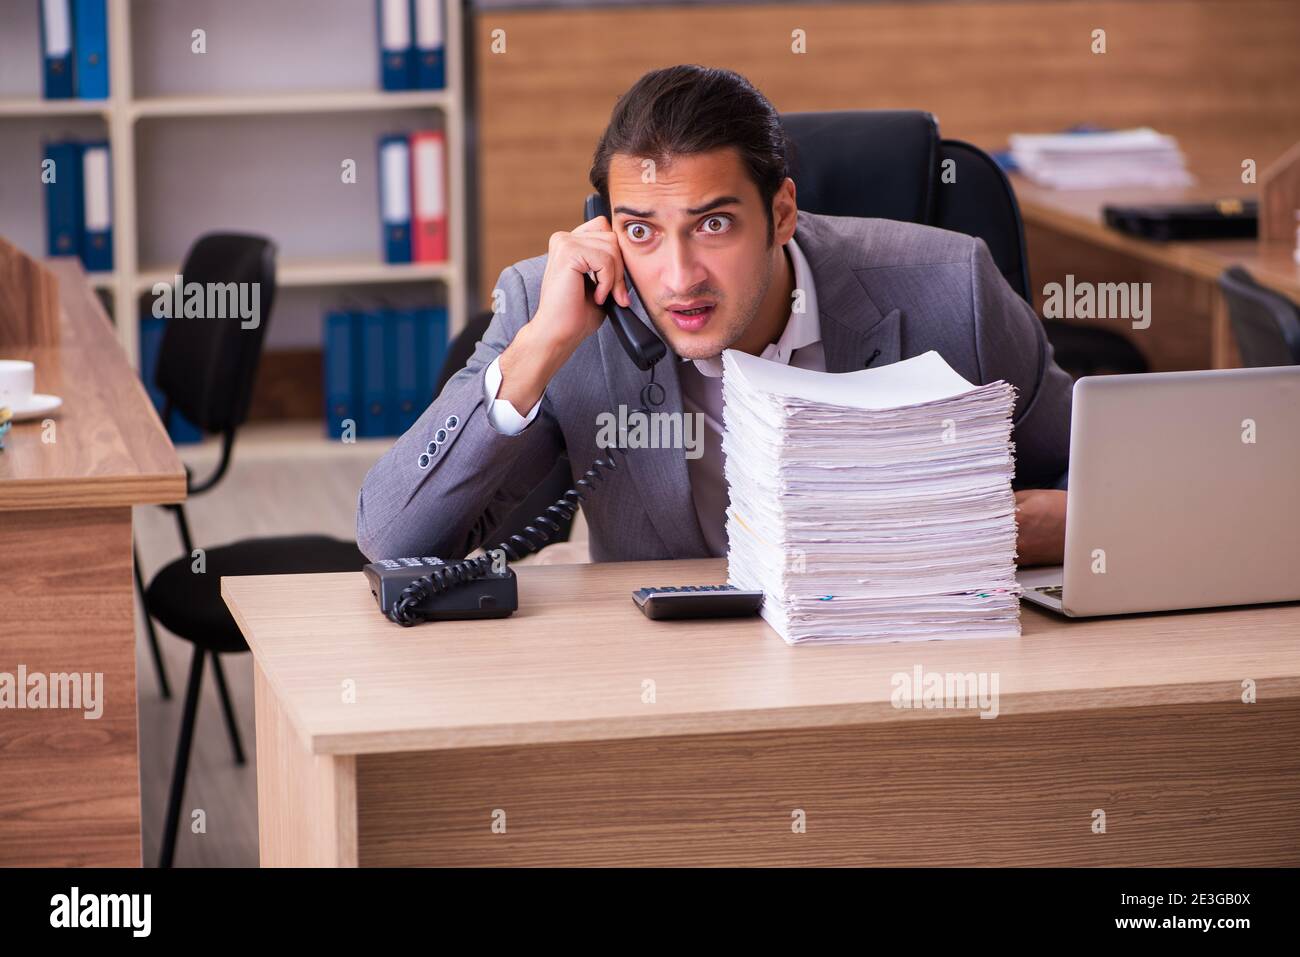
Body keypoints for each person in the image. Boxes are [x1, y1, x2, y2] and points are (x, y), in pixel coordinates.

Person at [357, 65, 1071, 567]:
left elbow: (1106, 482)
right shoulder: (554, 309)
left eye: (713, 225)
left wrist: (1005, 526)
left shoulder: (950, 288)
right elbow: (393, 538)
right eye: (640, 230)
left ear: (781, 212)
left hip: (893, 669)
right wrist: (540, 346)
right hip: (671, 691)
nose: (678, 276)